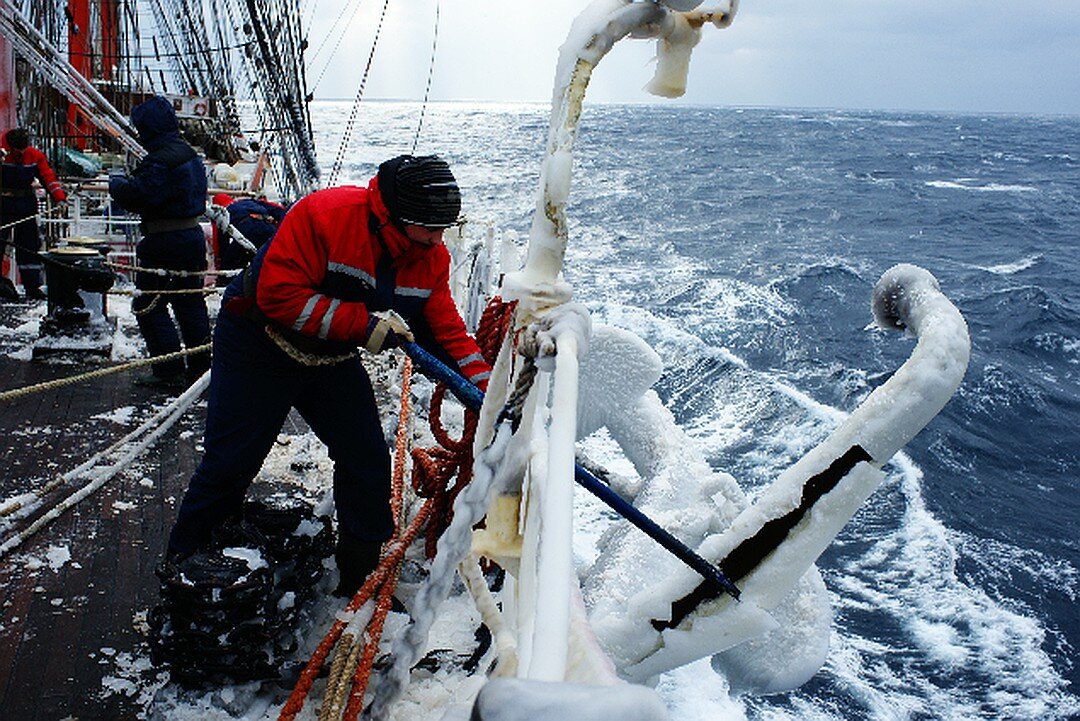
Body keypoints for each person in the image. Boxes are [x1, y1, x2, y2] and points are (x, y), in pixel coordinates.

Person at [166, 155, 492, 598]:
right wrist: (362, 326)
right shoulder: (326, 216)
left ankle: (359, 584)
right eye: (428, 230)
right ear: (395, 218)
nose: (437, 242)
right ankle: (183, 575)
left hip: (329, 355)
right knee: (230, 463)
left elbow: (444, 330)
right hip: (257, 342)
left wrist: (488, 390)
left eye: (443, 230)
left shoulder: (429, 257)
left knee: (367, 461)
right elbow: (277, 294)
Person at [109, 96, 211, 389]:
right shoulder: (188, 154)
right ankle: (202, 367)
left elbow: (141, 195)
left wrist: (117, 183)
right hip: (191, 237)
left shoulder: (160, 160)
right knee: (189, 302)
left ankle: (168, 370)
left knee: (149, 305)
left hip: (165, 240)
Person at [1, 127, 67, 301]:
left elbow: (48, 177)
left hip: (25, 204)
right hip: (3, 204)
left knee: (29, 246)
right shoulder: (2, 154)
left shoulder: (35, 155)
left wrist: (60, 198)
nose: (21, 152)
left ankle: (32, 286)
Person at [207, 193, 286, 275]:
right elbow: (275, 208)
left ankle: (225, 282)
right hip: (267, 226)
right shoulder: (246, 201)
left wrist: (221, 266)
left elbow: (220, 245)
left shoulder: (221, 214)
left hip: (246, 233)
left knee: (229, 264)